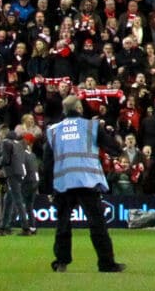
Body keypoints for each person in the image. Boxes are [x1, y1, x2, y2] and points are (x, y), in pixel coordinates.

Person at [43, 94, 124, 274]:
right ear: (79, 109)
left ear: (64, 111)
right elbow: (113, 149)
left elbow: (47, 162)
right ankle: (106, 263)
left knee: (63, 223)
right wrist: (113, 138)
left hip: (63, 182)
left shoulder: (53, 130)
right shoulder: (91, 126)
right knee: (97, 223)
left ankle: (61, 261)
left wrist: (48, 188)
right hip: (88, 180)